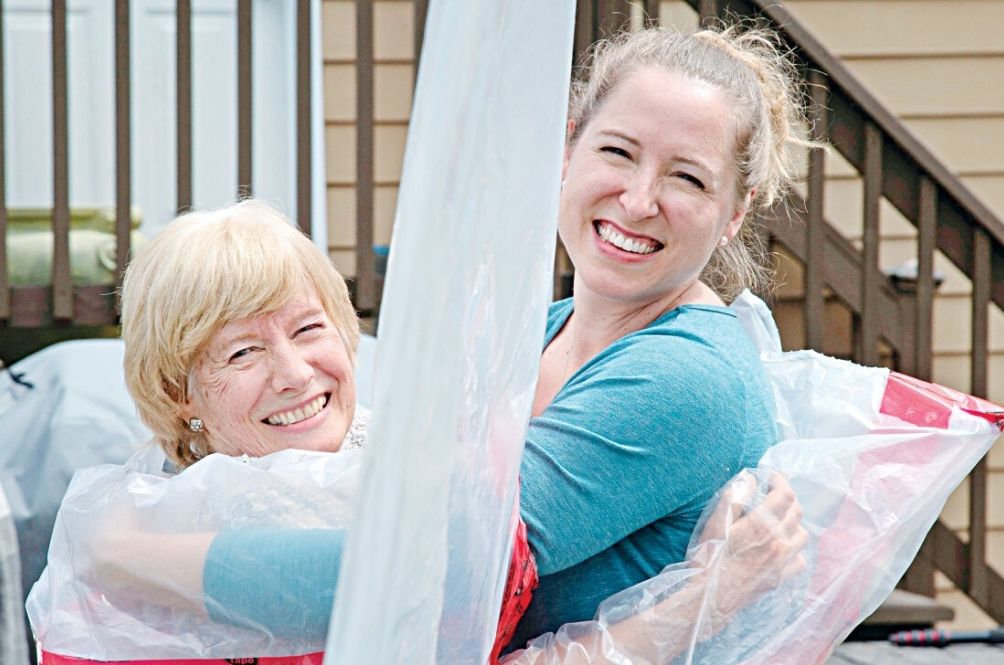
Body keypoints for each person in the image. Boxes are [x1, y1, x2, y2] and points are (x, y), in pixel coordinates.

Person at [30, 20, 812, 662]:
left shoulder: (680, 376)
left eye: (688, 177)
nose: (639, 198)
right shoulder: (540, 335)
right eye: (618, 151)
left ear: (736, 211)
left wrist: (124, 549)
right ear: (568, 148)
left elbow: (419, 573)